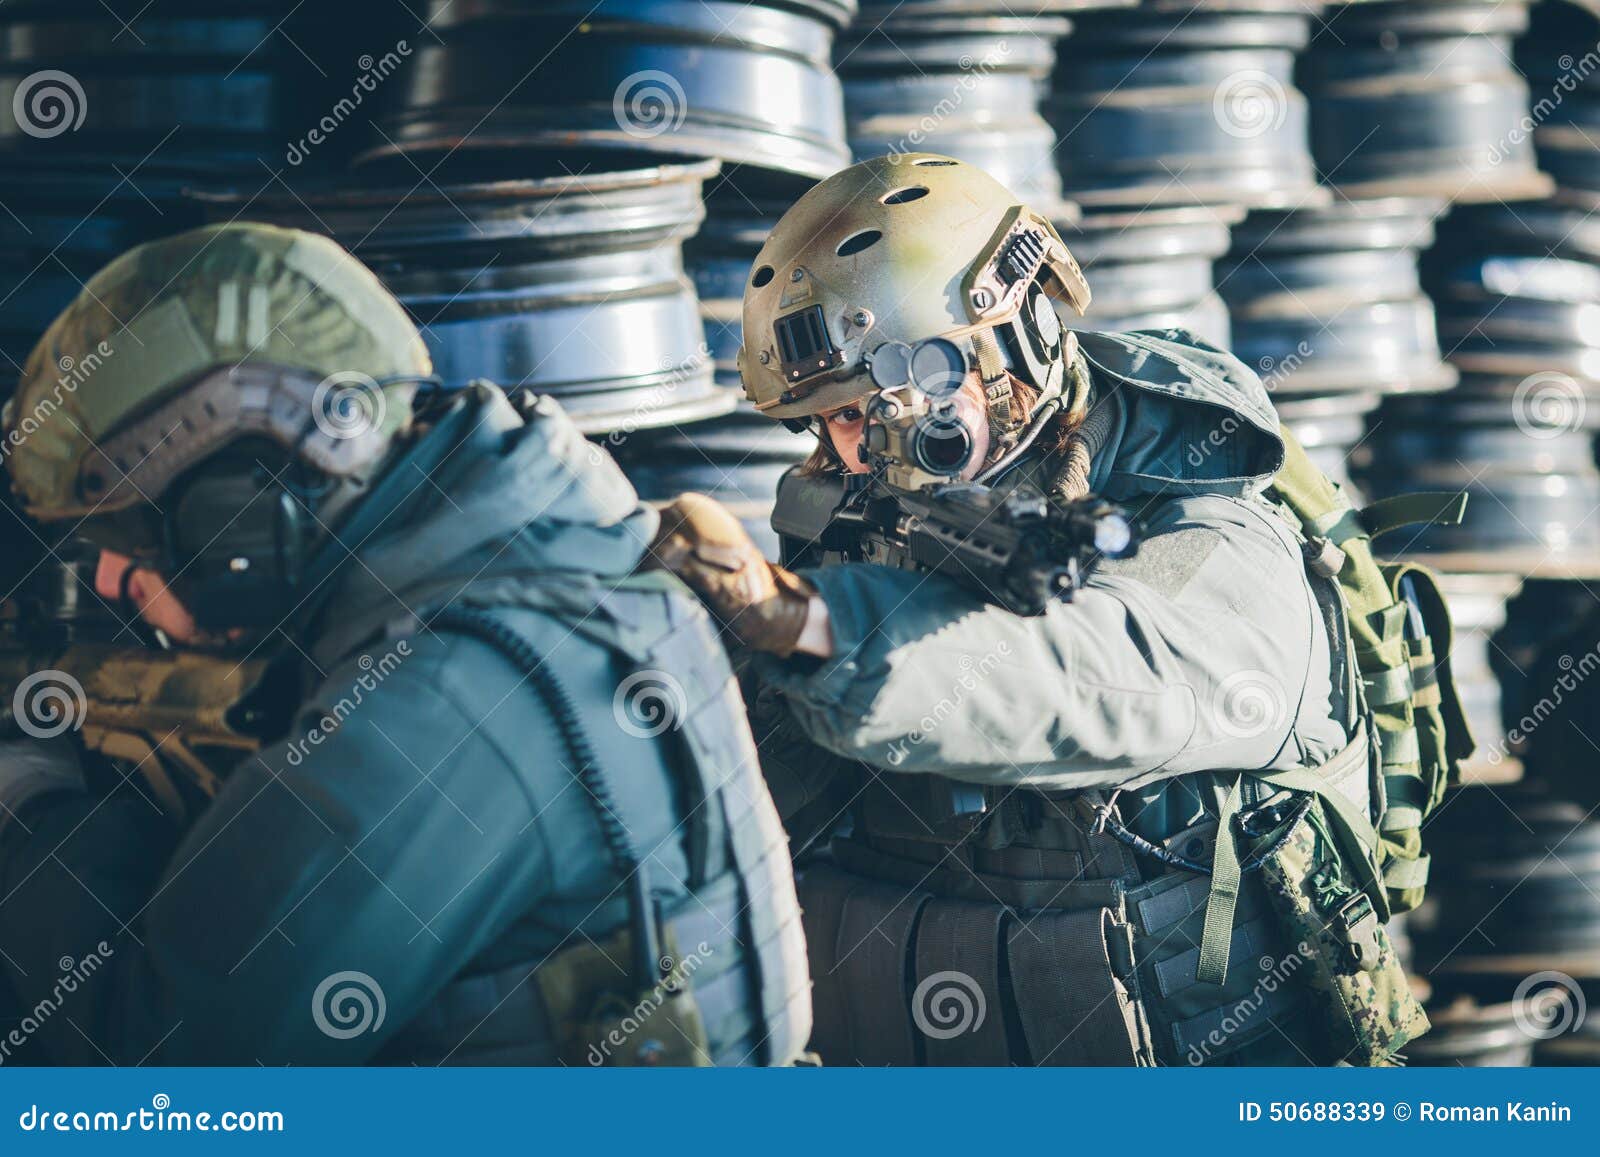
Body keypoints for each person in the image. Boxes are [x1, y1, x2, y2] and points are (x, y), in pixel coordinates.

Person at [647, 154, 1435, 1066]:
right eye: (839, 418)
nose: (866, 447)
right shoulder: (871, 515)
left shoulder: (1218, 525)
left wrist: (803, 621)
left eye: (898, 395)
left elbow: (1092, 671)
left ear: (1010, 342)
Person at [0, 222, 810, 1066]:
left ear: (243, 505)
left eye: (130, 540)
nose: (106, 583)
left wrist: (31, 806)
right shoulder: (564, 543)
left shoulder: (451, 697)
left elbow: (164, 1053)